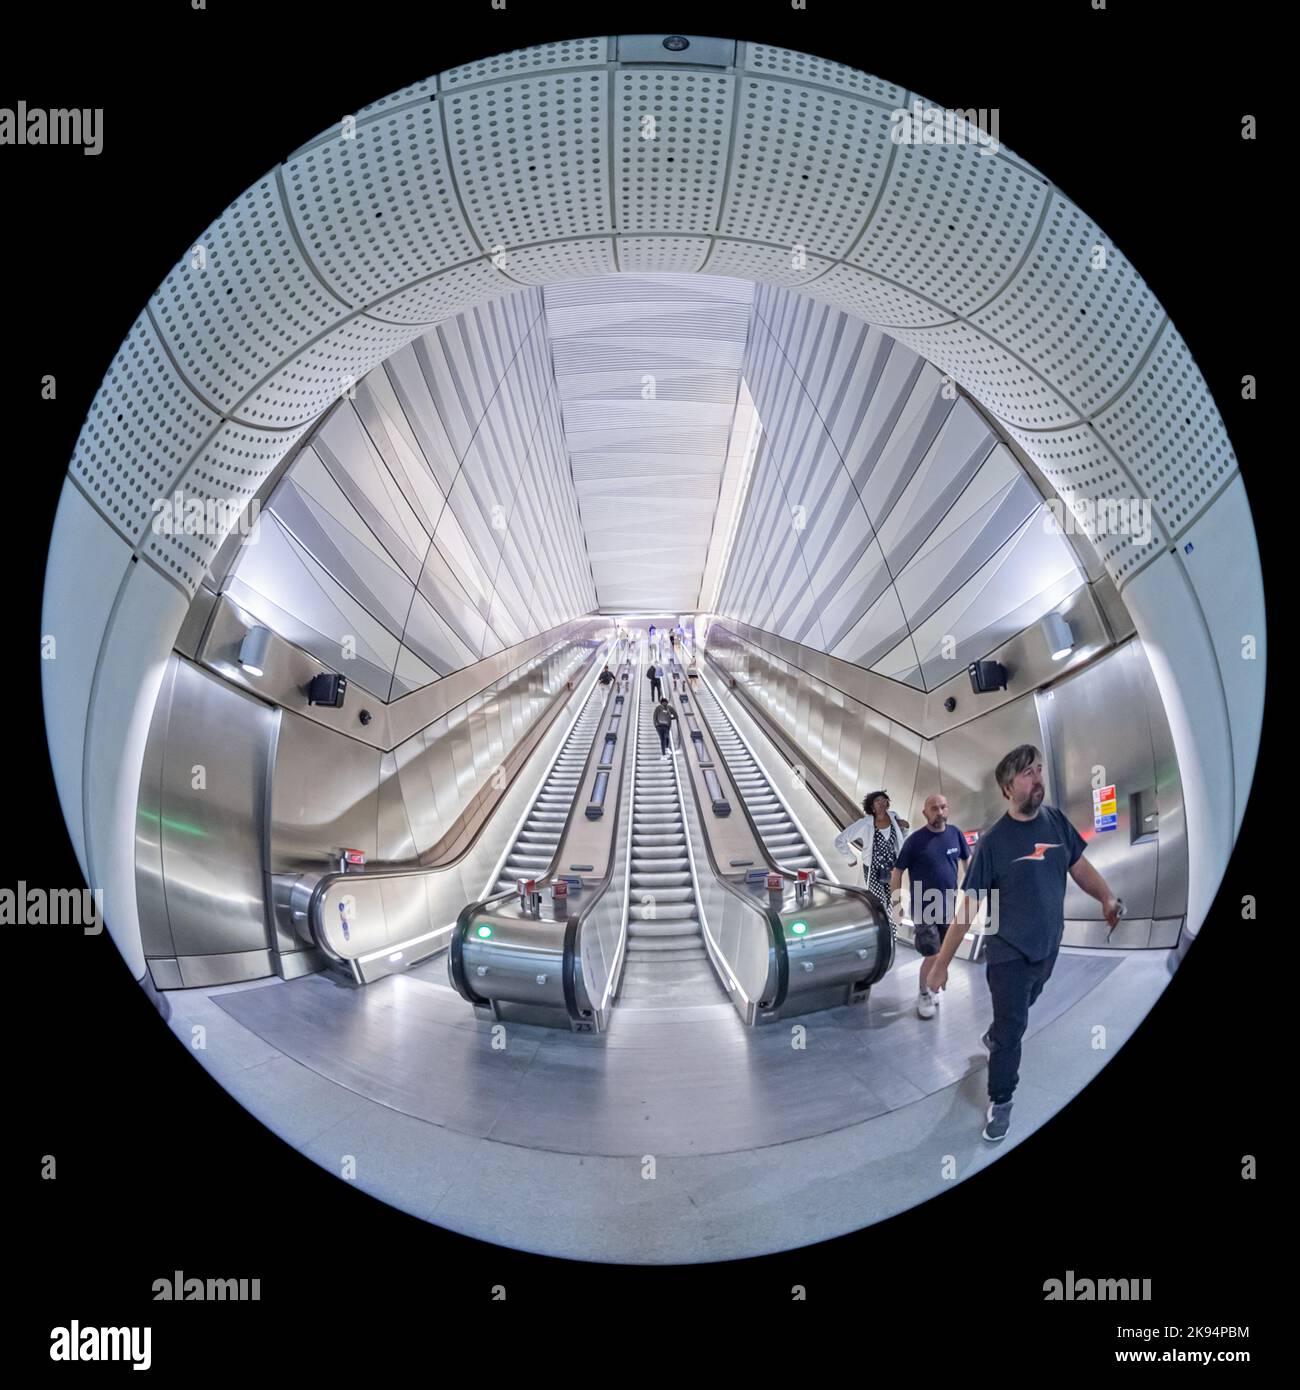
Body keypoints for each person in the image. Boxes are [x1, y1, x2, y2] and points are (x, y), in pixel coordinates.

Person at [928, 744, 1120, 1143]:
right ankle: (1001, 1099)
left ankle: (996, 1033)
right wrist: (942, 962)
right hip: (1008, 955)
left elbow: (1079, 867)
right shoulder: (993, 843)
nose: (1037, 780)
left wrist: (1104, 896)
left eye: (1038, 770)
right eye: (1027, 774)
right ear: (1007, 788)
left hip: (1048, 947)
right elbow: (968, 907)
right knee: (1014, 1030)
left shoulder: (1055, 821)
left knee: (1015, 1017)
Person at [890, 794, 969, 1019]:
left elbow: (967, 862)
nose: (940, 812)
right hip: (924, 908)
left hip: (948, 907)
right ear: (925, 813)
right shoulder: (915, 841)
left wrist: (971, 894)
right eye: (934, 808)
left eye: (943, 807)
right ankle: (924, 992)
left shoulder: (955, 834)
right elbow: (897, 872)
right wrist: (896, 902)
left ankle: (932, 986)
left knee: (943, 951)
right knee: (932, 953)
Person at [834, 791, 910, 913]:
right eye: (877, 801)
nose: (881, 803)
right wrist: (851, 859)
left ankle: (891, 931)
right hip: (873, 870)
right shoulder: (865, 824)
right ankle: (884, 929)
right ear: (871, 807)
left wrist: (906, 827)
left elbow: (901, 838)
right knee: (880, 904)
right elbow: (840, 840)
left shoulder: (894, 817)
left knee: (894, 903)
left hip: (892, 867)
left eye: (884, 800)